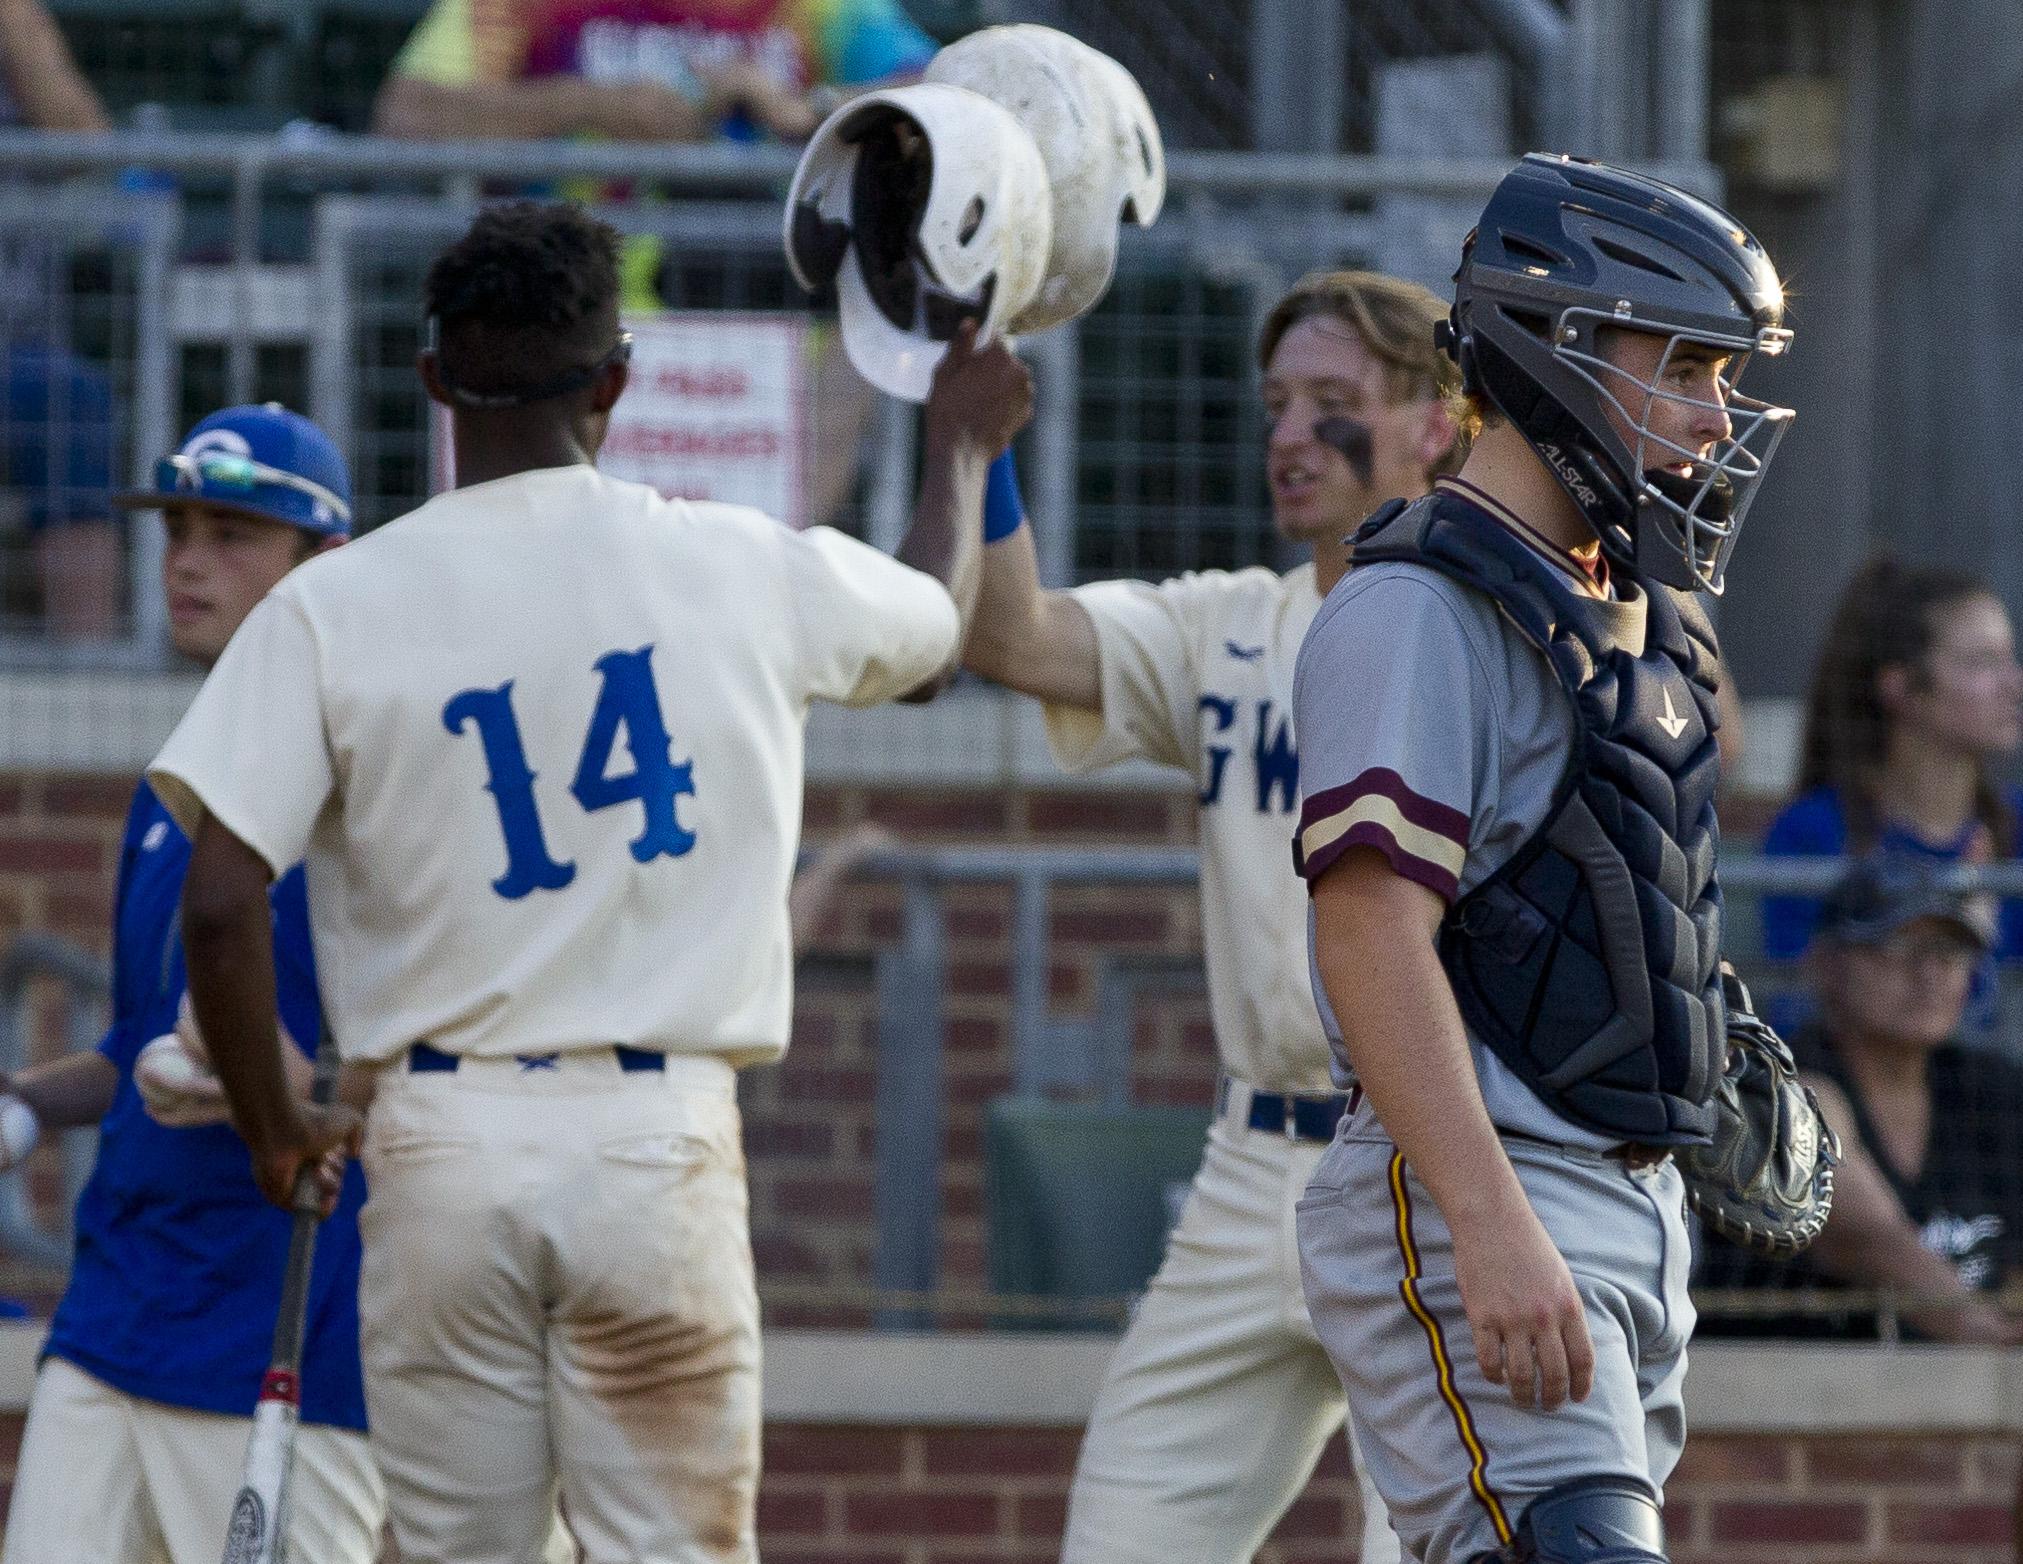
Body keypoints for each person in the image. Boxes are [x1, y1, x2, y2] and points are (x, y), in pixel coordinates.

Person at [149, 199, 1028, 1564]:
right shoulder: (736, 558)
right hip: (652, 1138)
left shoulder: (334, 600)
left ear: (432, 378)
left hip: (434, 1137)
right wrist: (960, 448)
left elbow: (217, 902)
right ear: (615, 380)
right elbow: (930, 632)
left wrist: (277, 1131)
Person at [1292, 153, 1796, 1564]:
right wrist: (1487, 1221)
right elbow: (1367, 934)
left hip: (1629, 1199)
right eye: (1682, 364)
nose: (1713, 410)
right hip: (1484, 1175)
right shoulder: (1412, 609)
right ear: (1559, 345)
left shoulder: (1632, 605)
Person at [962, 268, 1464, 1564]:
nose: (1289, 435)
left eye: (1332, 403)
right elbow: (1009, 638)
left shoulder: (1497, 633)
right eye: (1275, 404)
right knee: (1123, 1539)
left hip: (1439, 1154)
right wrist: (977, 443)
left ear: (1435, 423)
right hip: (1254, 1158)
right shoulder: (1227, 625)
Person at [0, 405, 386, 1564]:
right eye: (177, 528)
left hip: (283, 1335)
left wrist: (252, 1071)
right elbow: (136, 1039)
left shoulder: (378, 795)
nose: (187, 561)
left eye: (234, 534)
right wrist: (21, 1103)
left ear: (327, 565)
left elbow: (398, 1068)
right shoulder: (172, 788)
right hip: (112, 1318)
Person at [1698, 856, 2023, 1345]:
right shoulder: (1785, 1085)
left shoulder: (1991, 1088)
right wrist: (1977, 1330)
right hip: (1795, 1383)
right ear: (1827, 964)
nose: (1931, 973)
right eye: (1902, 945)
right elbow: (1860, 1235)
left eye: (1951, 951)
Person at [1762, 555, 2023, 972]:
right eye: (1981, 662)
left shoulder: (2014, 828)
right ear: (1901, 688)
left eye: (2009, 659)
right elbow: (1792, 1008)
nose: (2014, 684)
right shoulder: (1815, 832)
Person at [371, 0, 938, 147]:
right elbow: (406, 112)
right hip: (565, 322)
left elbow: (950, 88)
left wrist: (802, 107)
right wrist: (586, 104)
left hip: (773, 331)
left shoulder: (819, 9)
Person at [0, 0, 120, 639]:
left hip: (15, 353)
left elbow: (87, 145)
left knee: (72, 399)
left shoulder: (16, 46)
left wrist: (16, 18)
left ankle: (90, 672)